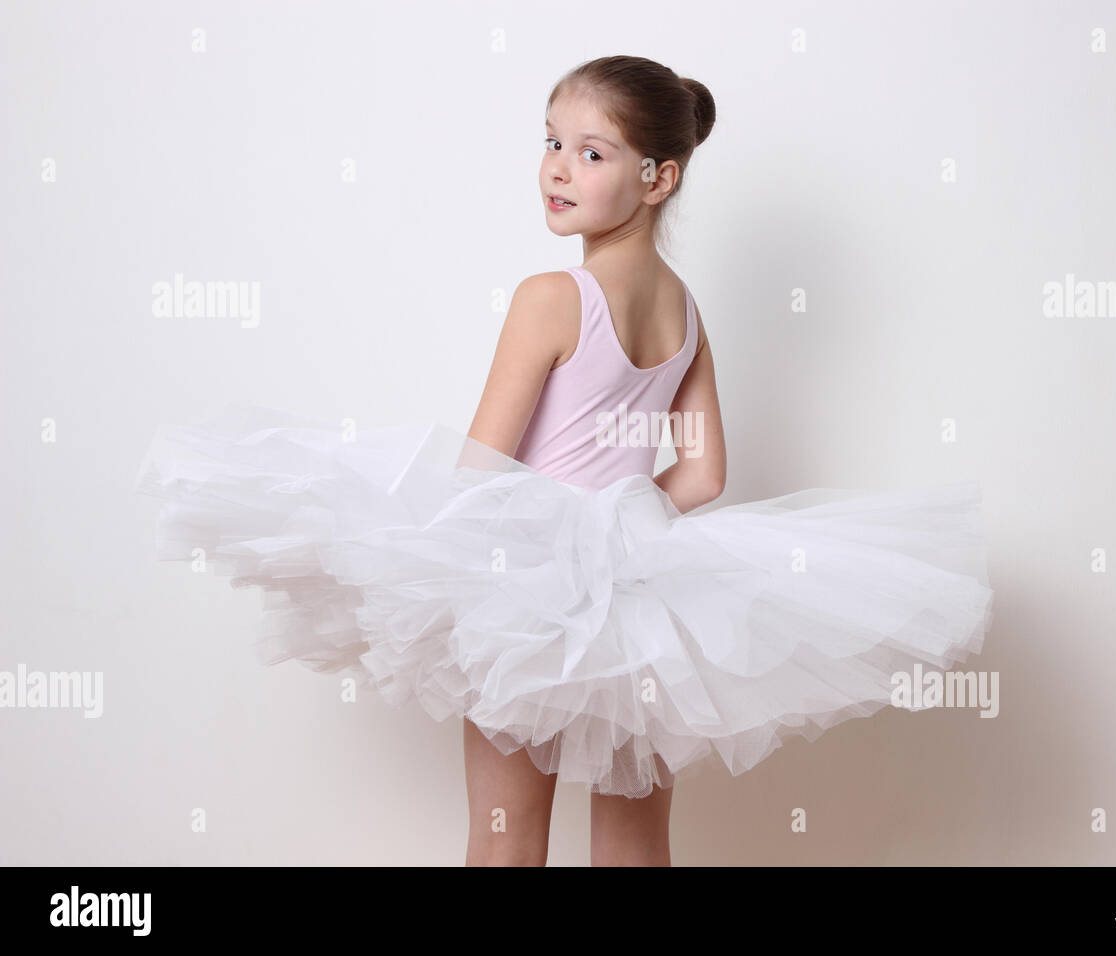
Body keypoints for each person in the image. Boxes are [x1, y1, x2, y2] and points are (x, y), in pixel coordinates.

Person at [135, 55, 993, 869]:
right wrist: (621, 526)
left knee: (505, 844)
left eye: (592, 153)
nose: (557, 168)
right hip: (648, 598)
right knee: (636, 848)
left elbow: (480, 469)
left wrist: (504, 548)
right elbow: (702, 476)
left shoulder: (552, 299)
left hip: (530, 595)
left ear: (658, 178)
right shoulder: (688, 316)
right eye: (552, 141)